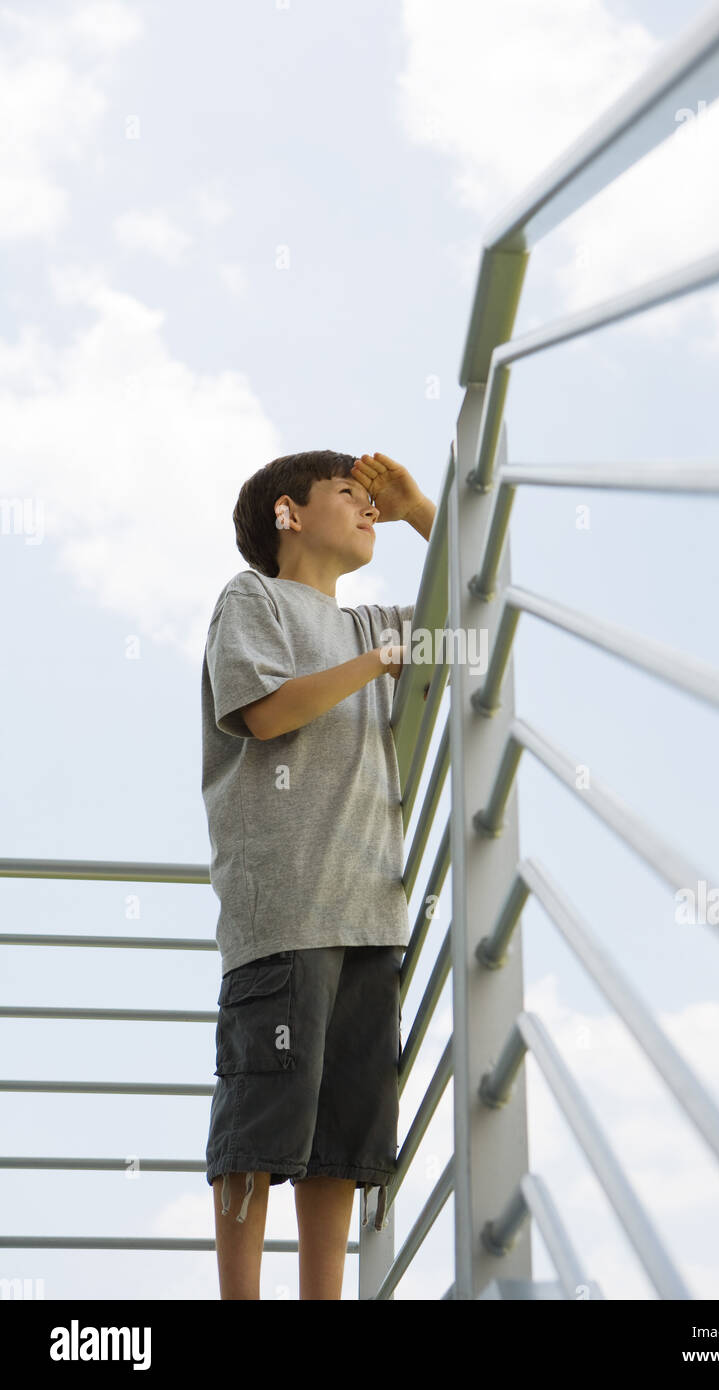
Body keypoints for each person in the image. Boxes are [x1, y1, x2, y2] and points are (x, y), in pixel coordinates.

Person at [200, 448, 435, 1299]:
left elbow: (480, 614)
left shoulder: (380, 623)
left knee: (343, 1137)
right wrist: (375, 666)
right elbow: (264, 714)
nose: (367, 509)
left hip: (371, 913)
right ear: (288, 514)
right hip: (286, 910)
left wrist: (419, 510)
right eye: (352, 494)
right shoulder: (252, 597)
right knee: (260, 1125)